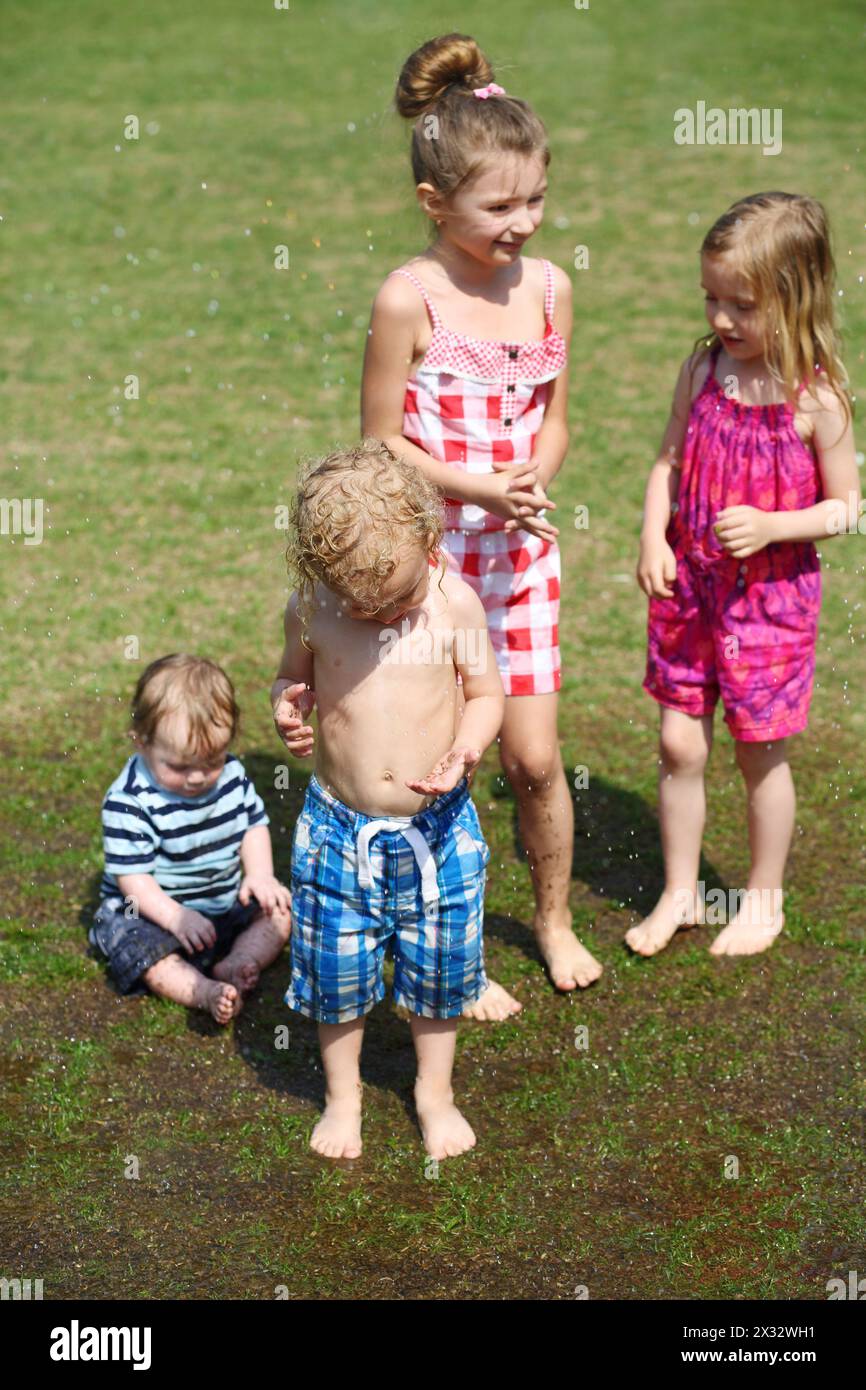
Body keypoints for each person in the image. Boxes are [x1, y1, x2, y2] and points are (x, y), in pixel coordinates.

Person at [360, 32, 602, 1012]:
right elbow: (378, 445)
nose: (523, 222)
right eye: (498, 206)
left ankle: (548, 919)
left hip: (520, 558)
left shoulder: (548, 288)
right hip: (430, 563)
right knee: (435, 767)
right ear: (433, 204)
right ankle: (446, 950)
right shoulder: (406, 297)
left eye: (534, 200)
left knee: (532, 759)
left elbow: (554, 419)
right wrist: (476, 490)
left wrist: (532, 480)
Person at [631, 191, 859, 958]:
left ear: (793, 299)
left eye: (742, 304)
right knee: (679, 746)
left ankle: (763, 899)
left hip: (770, 603)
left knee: (760, 750)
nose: (721, 318)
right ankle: (681, 891)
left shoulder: (816, 398)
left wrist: (771, 527)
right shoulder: (702, 367)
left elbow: (847, 509)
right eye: (712, 298)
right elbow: (666, 460)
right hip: (690, 588)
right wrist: (650, 539)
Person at [271, 439, 505, 1160]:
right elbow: (286, 678)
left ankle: (434, 1093)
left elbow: (487, 694)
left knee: (440, 970)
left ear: (431, 545)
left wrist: (467, 749)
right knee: (334, 973)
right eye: (359, 604)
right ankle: (344, 1100)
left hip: (437, 831)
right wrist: (287, 705)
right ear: (319, 574)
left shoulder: (451, 603)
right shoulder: (312, 610)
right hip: (337, 831)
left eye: (394, 598)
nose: (378, 616)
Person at [91, 653, 292, 1022]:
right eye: (180, 766)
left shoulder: (232, 775)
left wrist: (260, 875)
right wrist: (176, 917)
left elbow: (253, 825)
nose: (198, 777)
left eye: (211, 760)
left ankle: (237, 961)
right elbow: (132, 879)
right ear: (141, 741)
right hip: (154, 915)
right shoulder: (130, 800)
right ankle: (202, 991)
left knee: (278, 914)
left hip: (224, 904)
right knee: (143, 951)